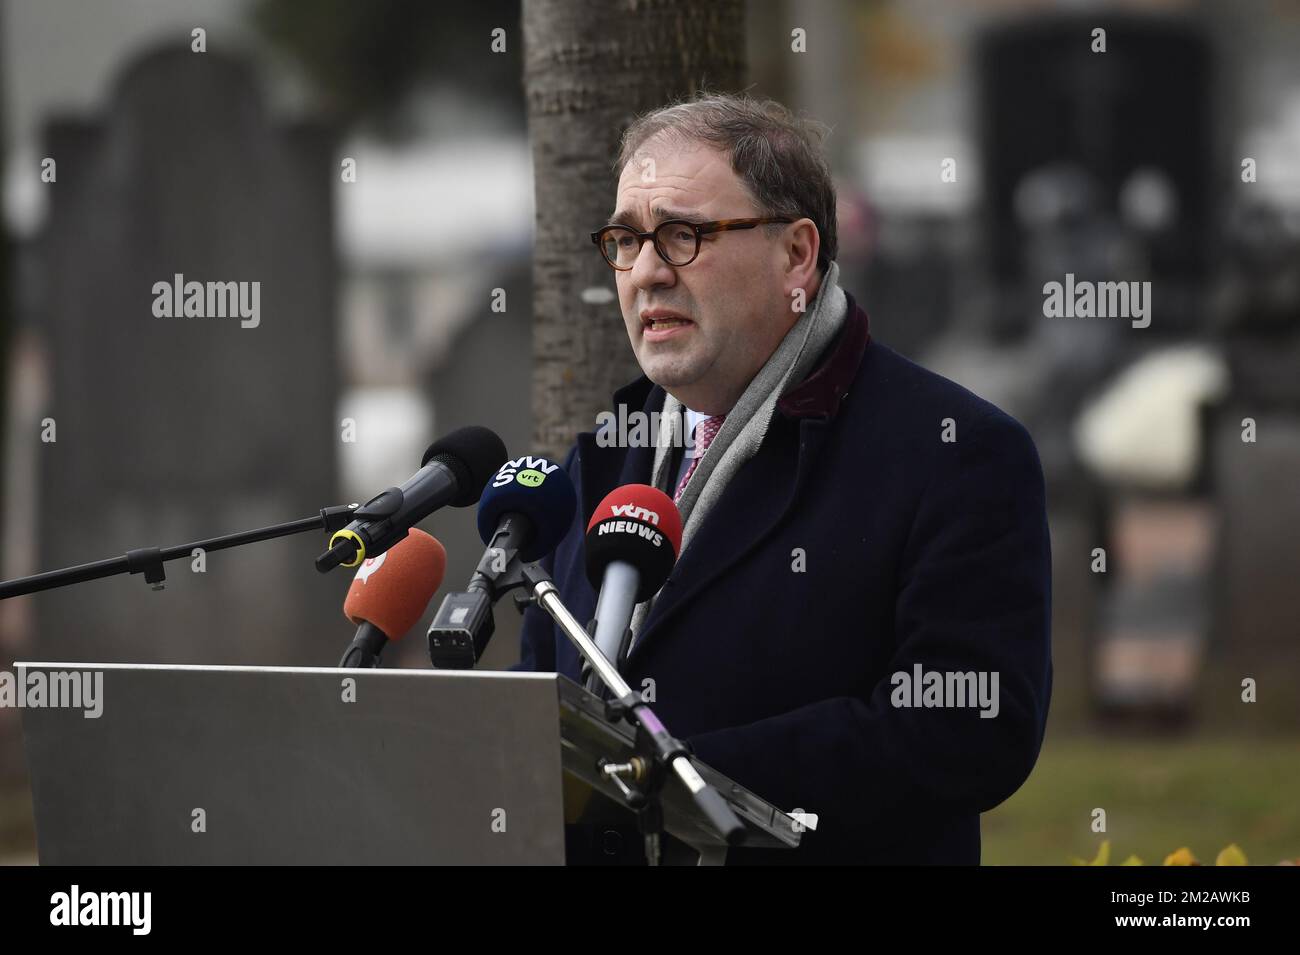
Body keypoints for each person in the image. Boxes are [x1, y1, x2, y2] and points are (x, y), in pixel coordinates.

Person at [517, 92, 1052, 865]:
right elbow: (543, 692)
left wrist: (668, 775)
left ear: (797, 254)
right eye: (627, 240)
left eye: (682, 235)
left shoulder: (954, 452)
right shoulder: (604, 454)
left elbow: (969, 726)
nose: (646, 273)